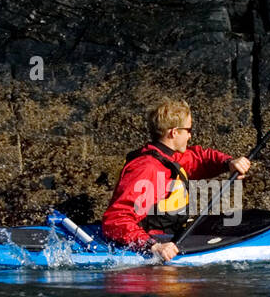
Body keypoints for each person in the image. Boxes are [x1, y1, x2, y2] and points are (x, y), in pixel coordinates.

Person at [102, 99, 251, 261]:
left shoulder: (170, 156)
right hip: (154, 243)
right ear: (174, 133)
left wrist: (228, 163)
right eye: (188, 130)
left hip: (172, 232)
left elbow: (198, 159)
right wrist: (153, 246)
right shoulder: (148, 168)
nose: (190, 135)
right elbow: (116, 218)